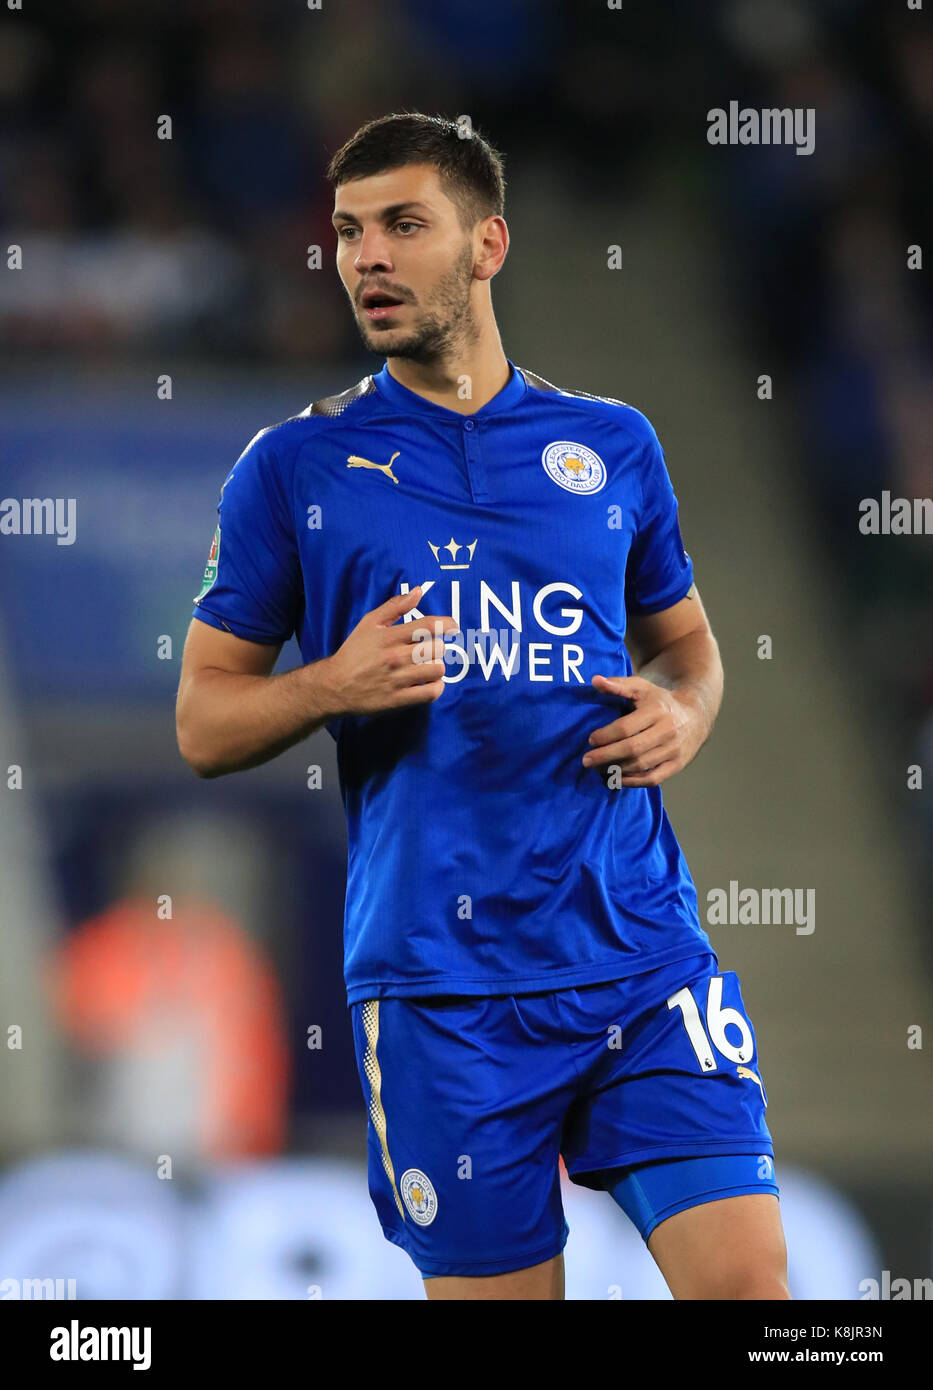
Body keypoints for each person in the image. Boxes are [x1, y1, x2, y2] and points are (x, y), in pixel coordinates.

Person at [176, 112, 790, 1301]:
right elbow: (203, 724)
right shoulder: (292, 469)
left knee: (757, 1297)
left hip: (640, 956)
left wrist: (688, 713)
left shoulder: (611, 446)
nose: (367, 258)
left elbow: (694, 654)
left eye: (405, 225)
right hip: (442, 992)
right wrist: (329, 684)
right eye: (350, 232)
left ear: (488, 244)